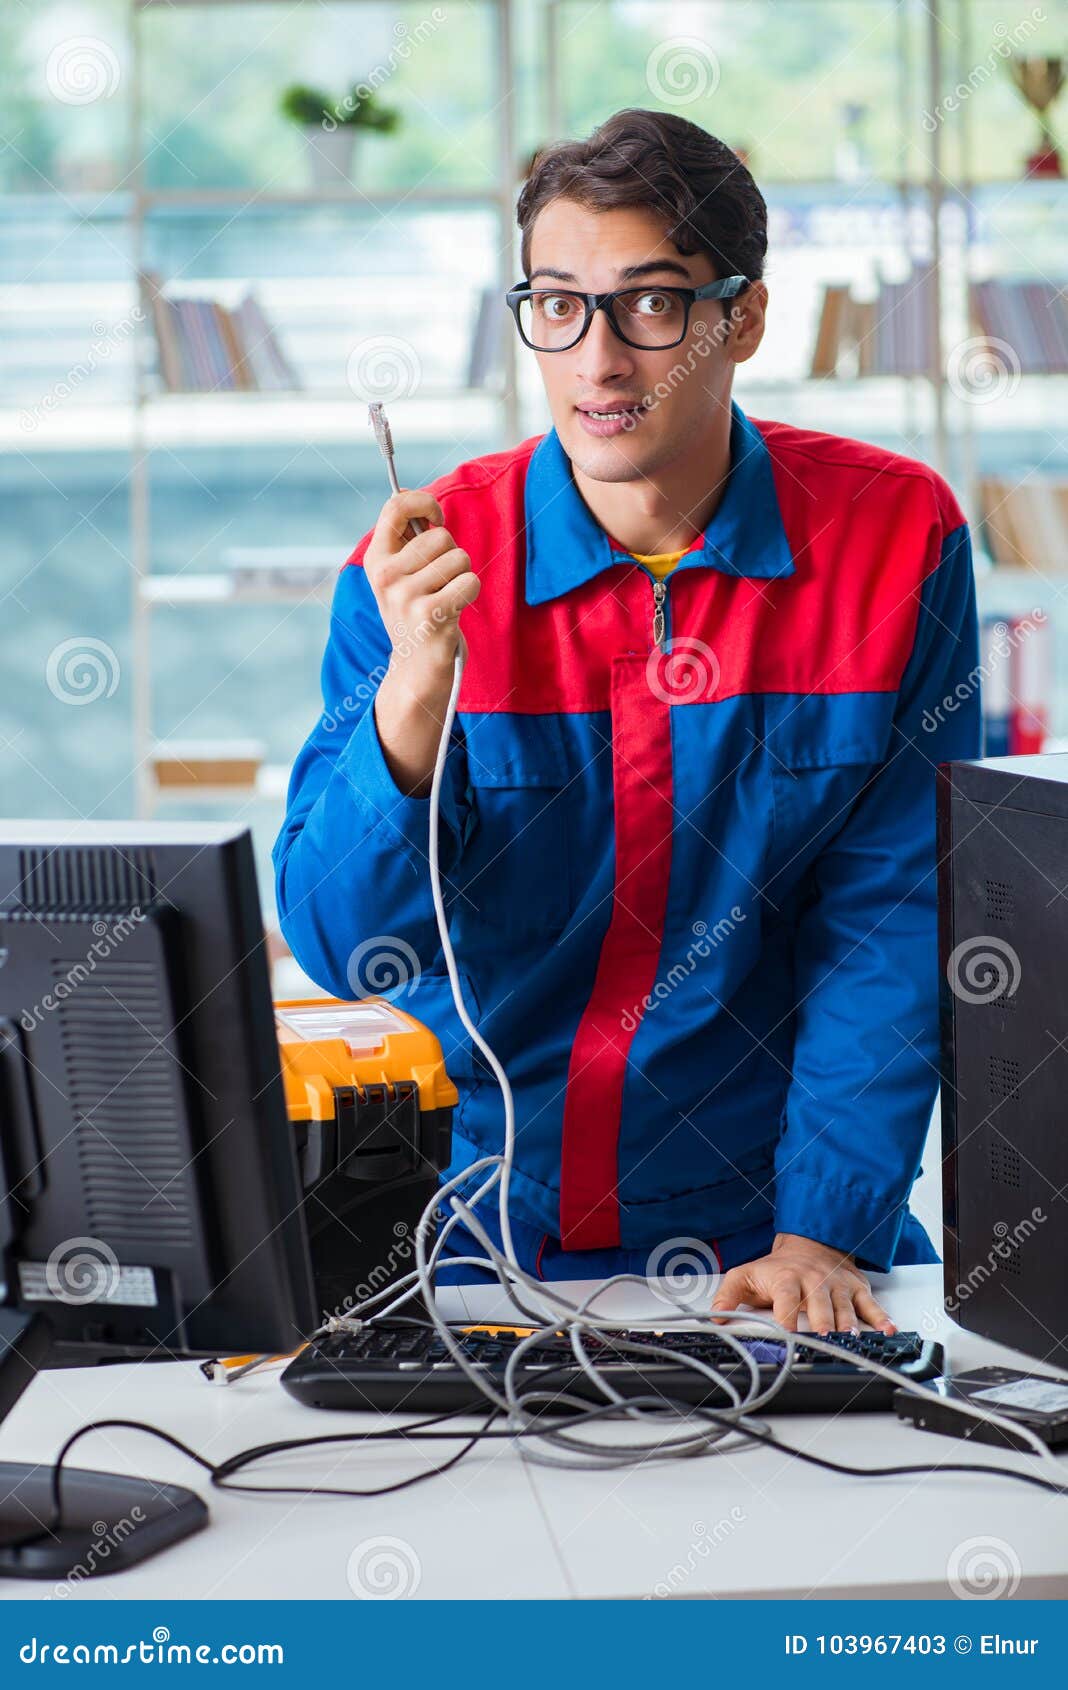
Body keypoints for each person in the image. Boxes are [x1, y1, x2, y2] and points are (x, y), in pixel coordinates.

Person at [273, 108, 981, 1333]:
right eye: (557, 305)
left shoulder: (895, 537)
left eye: (651, 304)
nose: (597, 360)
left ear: (741, 317)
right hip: (466, 1221)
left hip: (773, 1237)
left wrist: (825, 1225)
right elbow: (347, 946)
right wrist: (413, 694)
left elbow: (894, 919)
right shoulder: (422, 565)